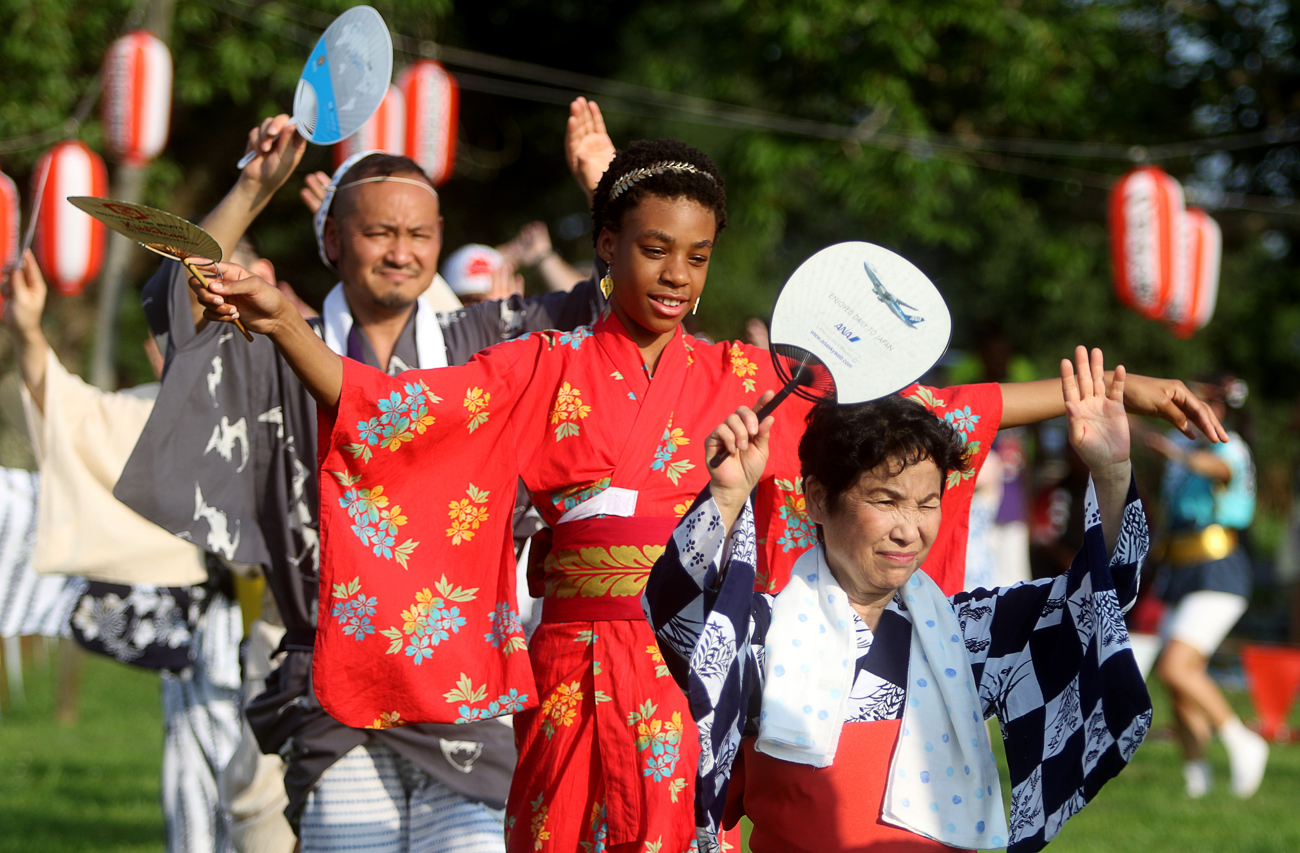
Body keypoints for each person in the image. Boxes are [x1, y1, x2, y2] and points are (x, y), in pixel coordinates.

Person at [189, 121, 1227, 851]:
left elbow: (933, 410)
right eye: (652, 250)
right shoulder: (538, 366)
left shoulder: (746, 381)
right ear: (605, 248)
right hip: (567, 672)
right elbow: (396, 415)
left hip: (698, 672)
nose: (678, 276)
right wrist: (284, 322)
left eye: (696, 256)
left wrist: (1121, 388)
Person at [114, 114, 607, 852]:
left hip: (460, 684)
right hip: (331, 684)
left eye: (419, 236)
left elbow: (615, 308)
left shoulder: (485, 343)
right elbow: (175, 313)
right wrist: (254, 185)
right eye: (380, 233)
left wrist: (604, 184)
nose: (401, 253)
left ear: (439, 239)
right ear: (335, 238)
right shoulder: (279, 339)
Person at [645, 347, 1152, 853]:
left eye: (927, 503)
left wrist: (1110, 474)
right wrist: (728, 495)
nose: (909, 530)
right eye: (885, 501)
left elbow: (1096, 601)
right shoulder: (764, 631)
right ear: (819, 498)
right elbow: (676, 616)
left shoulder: (965, 632)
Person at [3, 248, 242, 853]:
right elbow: (63, 404)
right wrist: (28, 330)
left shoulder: (287, 385)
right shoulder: (145, 410)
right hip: (208, 625)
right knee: (197, 792)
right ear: (155, 348)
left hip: (300, 628)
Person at [1145, 374, 1268, 799]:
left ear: (1219, 408)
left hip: (1219, 570)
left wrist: (1176, 452)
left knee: (1177, 666)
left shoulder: (1228, 446)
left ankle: (1242, 740)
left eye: (1203, 402)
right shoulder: (1184, 448)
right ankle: (1197, 780)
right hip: (1179, 569)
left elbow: (1218, 469)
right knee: (1176, 682)